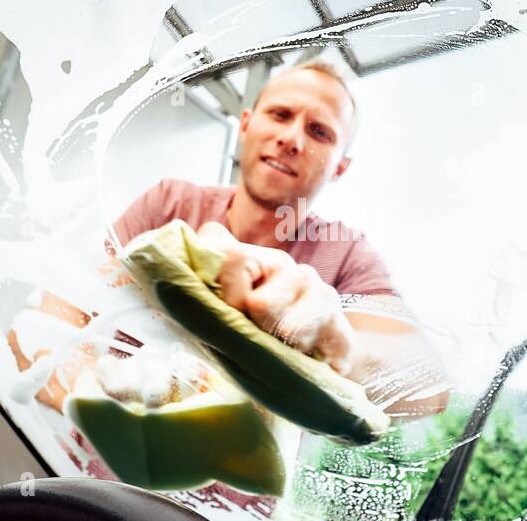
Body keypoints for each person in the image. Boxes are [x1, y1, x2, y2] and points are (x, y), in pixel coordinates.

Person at [110, 60, 449, 418]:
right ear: (244, 125)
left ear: (339, 167)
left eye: (320, 132)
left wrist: (344, 347)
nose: (292, 139)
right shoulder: (171, 203)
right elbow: (75, 303)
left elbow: (430, 391)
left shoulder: (344, 253)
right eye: (280, 114)